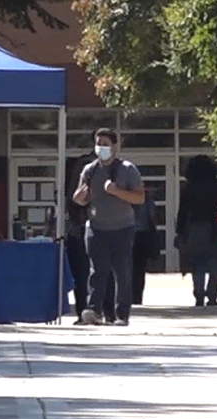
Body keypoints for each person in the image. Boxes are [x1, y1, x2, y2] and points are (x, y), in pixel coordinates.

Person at [72, 128, 146, 326]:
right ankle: (94, 311)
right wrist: (79, 198)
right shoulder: (89, 170)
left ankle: (122, 314)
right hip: (96, 228)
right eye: (98, 143)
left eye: (105, 143)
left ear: (114, 146)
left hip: (122, 228)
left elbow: (139, 197)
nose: (101, 147)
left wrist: (116, 192)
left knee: (122, 272)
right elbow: (80, 197)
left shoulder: (127, 169)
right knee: (97, 271)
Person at [175, 155, 217, 306]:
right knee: (216, 264)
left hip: (195, 228)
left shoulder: (189, 187)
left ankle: (199, 295)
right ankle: (212, 296)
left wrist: (180, 232)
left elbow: (183, 211)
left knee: (198, 264)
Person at [65, 139, 96, 324]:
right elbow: (74, 200)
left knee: (86, 273)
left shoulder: (113, 168)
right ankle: (90, 310)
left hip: (91, 227)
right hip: (84, 229)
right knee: (88, 272)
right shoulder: (86, 167)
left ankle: (88, 310)